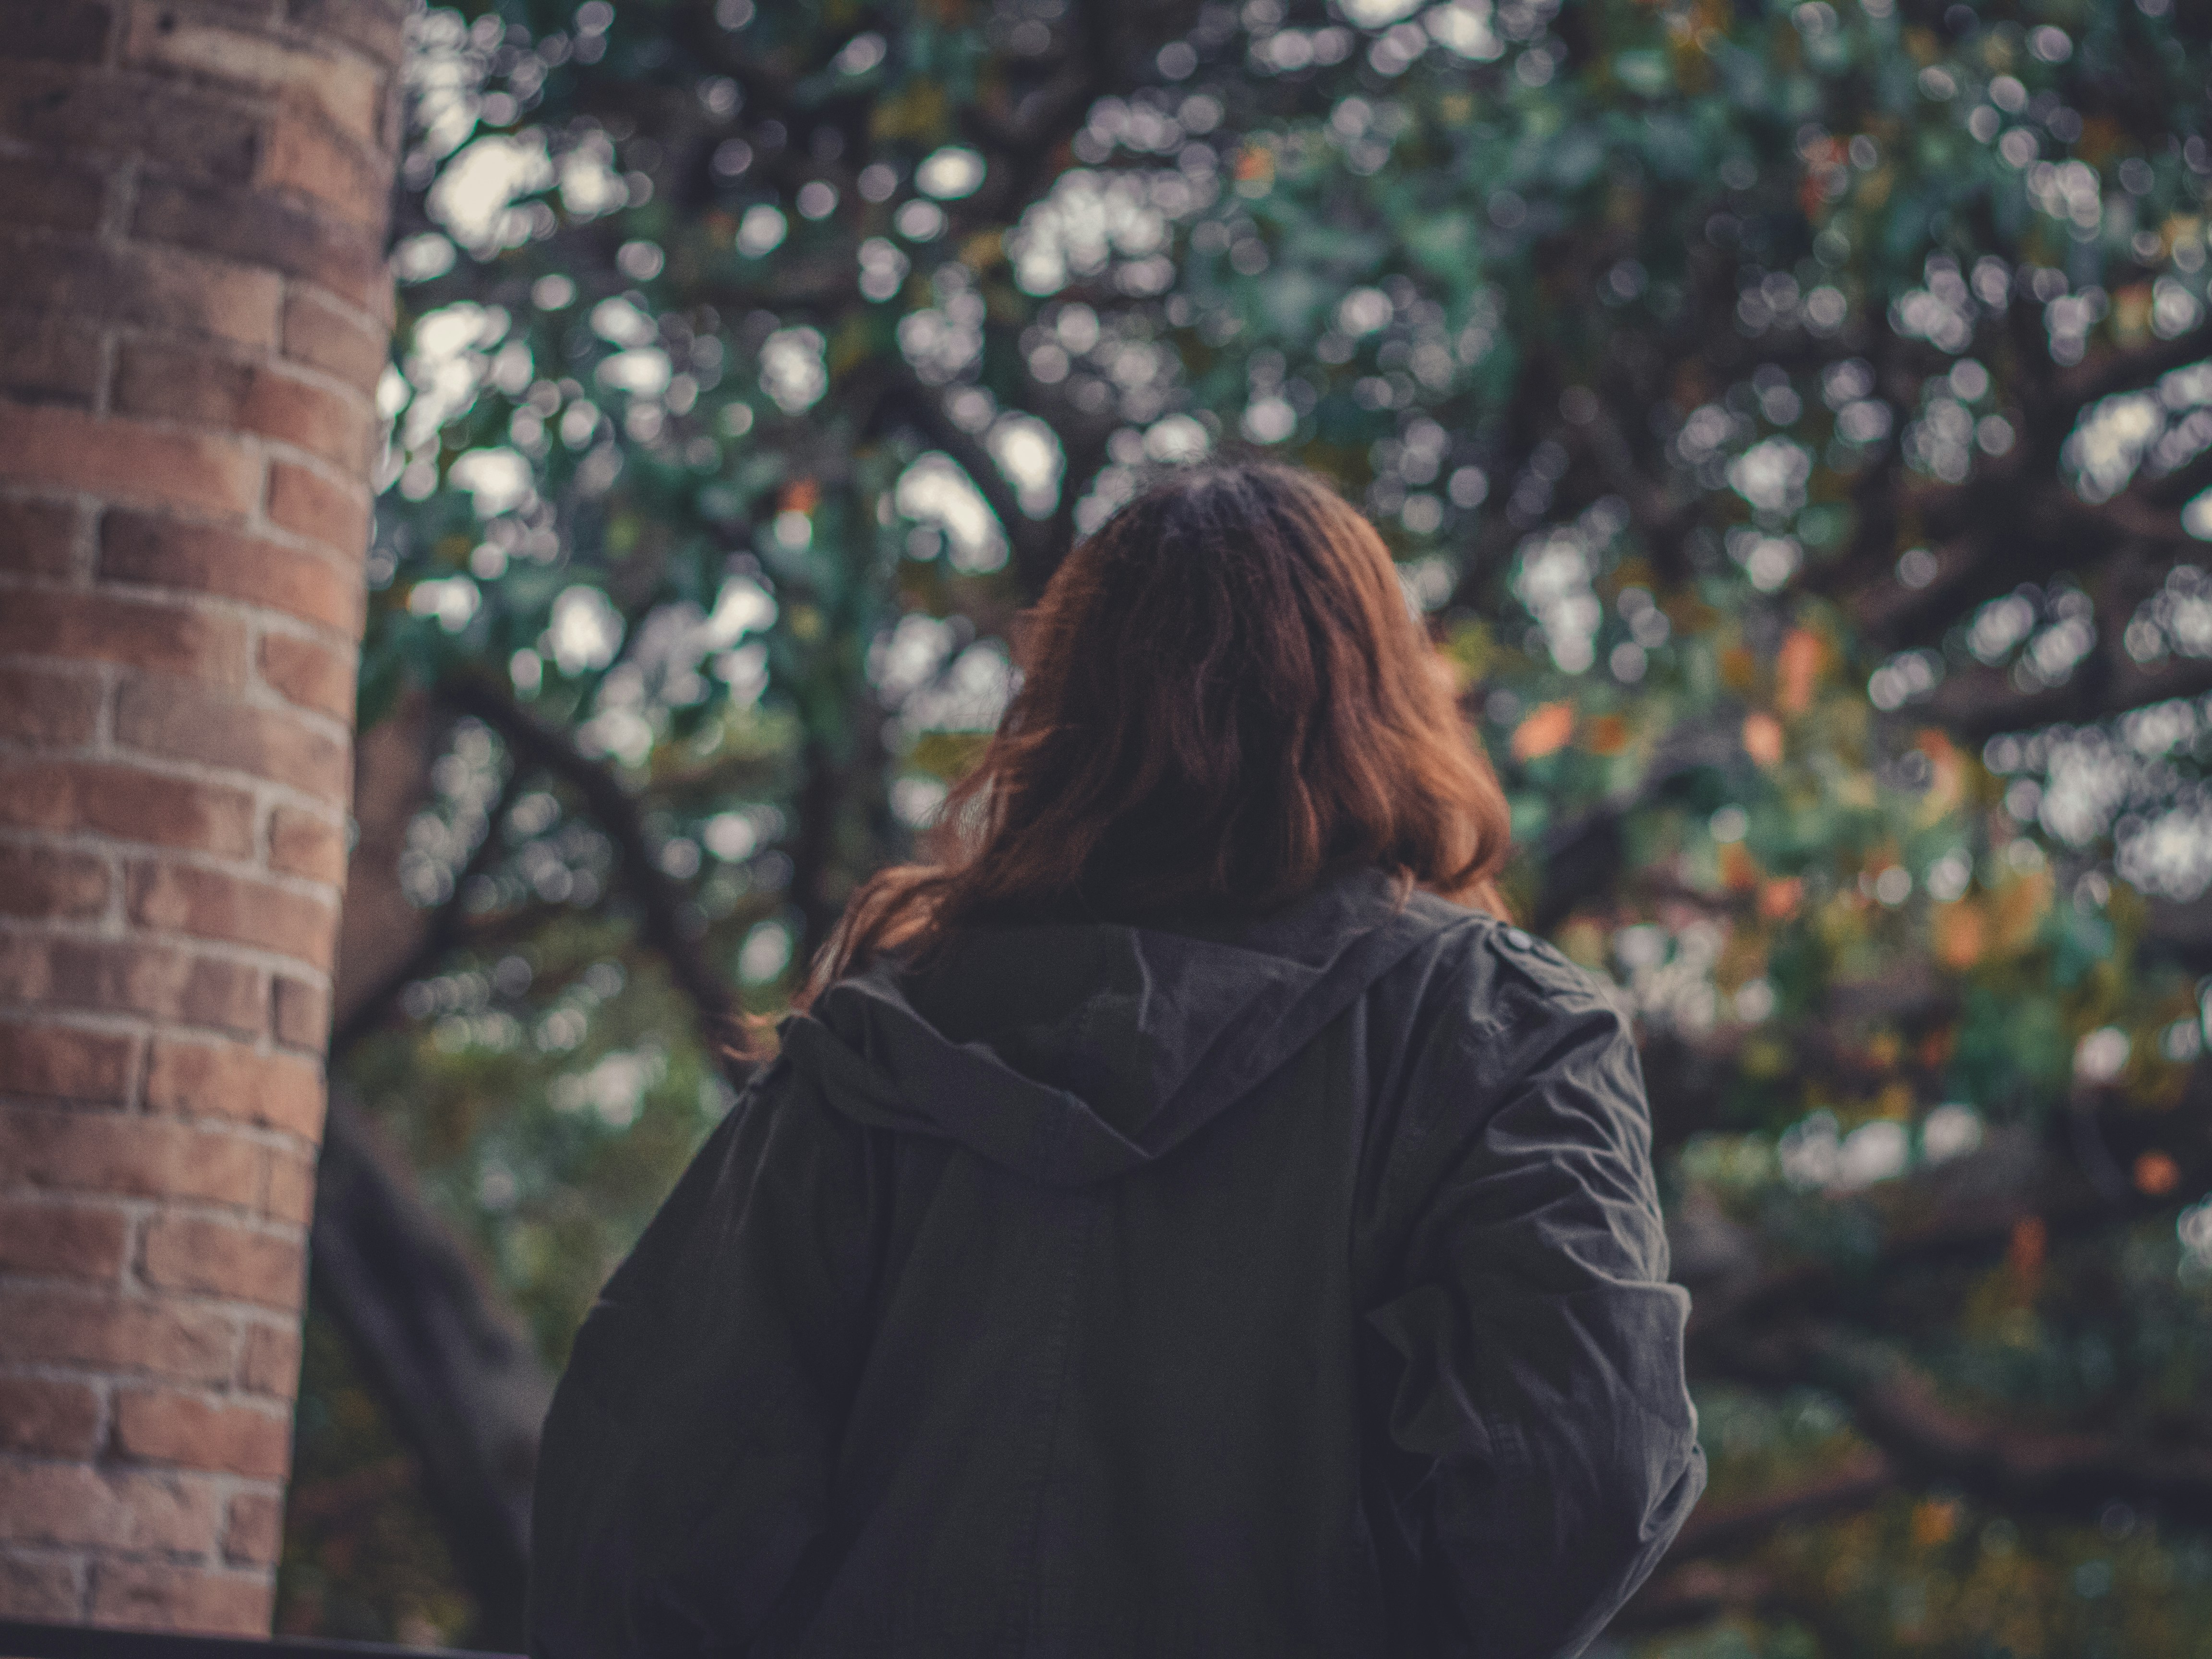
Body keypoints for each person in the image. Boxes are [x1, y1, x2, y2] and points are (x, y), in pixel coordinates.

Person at [528, 461, 1705, 1658]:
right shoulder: (1501, 1032)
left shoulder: (875, 1045)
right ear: (1391, 695)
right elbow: (1586, 1479)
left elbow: (641, 1511)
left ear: (1068, 702)